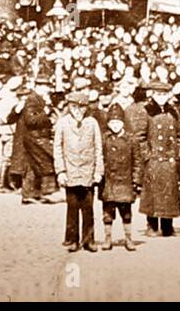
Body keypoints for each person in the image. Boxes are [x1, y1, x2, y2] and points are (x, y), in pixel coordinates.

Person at [54, 88, 103, 252]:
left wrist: (98, 171)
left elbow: (98, 149)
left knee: (88, 207)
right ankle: (72, 239)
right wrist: (60, 171)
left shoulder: (92, 123)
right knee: (72, 206)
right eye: (74, 107)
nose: (78, 111)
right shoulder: (62, 123)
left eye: (82, 107)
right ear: (69, 107)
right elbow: (58, 149)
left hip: (88, 171)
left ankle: (88, 240)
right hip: (70, 171)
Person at [139, 80, 180, 236]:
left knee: (169, 193)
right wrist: (147, 155)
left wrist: (178, 154)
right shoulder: (146, 111)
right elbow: (141, 137)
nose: (161, 97)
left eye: (164, 94)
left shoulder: (173, 111)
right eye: (158, 94)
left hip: (169, 159)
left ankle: (167, 225)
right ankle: (151, 224)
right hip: (154, 159)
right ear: (153, 94)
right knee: (152, 194)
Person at [99, 105, 142, 251]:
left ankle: (128, 238)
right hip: (108, 182)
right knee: (107, 213)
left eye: (118, 122)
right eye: (112, 123)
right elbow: (99, 158)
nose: (115, 126)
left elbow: (137, 161)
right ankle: (108, 238)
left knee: (126, 213)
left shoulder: (131, 139)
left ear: (123, 123)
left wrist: (136, 181)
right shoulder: (104, 139)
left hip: (125, 182)